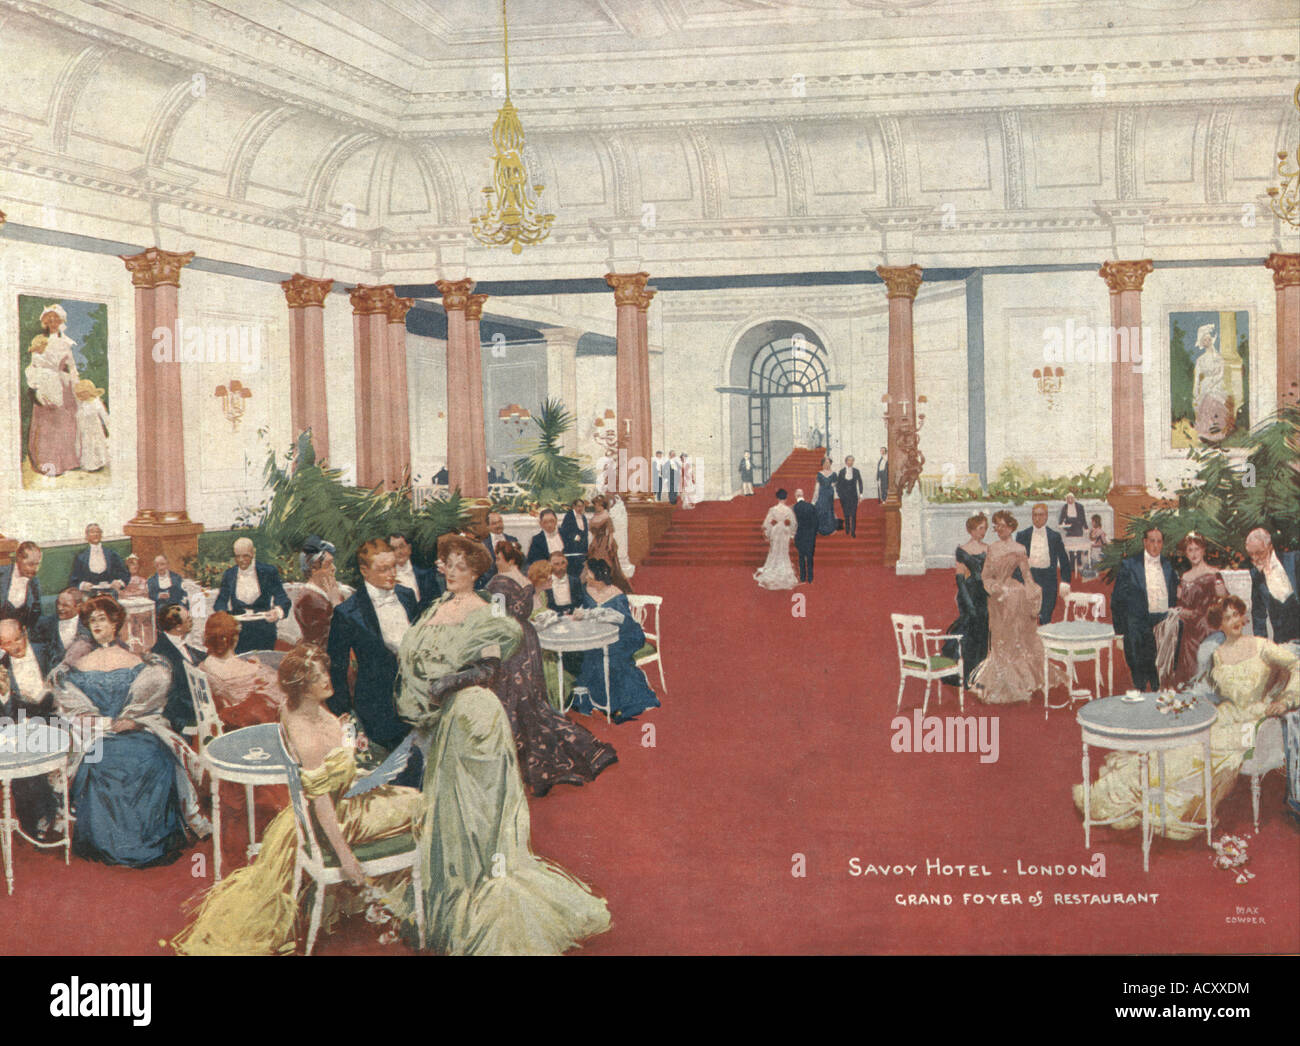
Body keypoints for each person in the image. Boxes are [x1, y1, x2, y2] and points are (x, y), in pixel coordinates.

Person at [394, 534, 612, 954]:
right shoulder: (437, 608)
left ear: (476, 572)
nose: (449, 571)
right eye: (446, 564)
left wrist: (449, 683)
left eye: (458, 566)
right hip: (444, 723)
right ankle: (456, 894)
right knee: (450, 808)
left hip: (476, 718)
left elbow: (490, 666)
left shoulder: (485, 610)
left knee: (479, 810)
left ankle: (486, 899)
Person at [171, 643, 423, 955]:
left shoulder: (298, 710)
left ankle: (388, 898)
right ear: (303, 688)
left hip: (335, 802)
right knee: (422, 807)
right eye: (319, 678)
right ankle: (407, 905)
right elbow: (322, 802)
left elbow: (338, 756)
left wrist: (346, 737)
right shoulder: (309, 737)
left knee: (415, 801)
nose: (327, 681)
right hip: (339, 816)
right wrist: (345, 857)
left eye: (325, 673)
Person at [1074, 596, 1299, 839]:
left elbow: (1297, 664)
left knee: (1199, 753)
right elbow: (1208, 690)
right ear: (1219, 625)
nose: (1234, 620)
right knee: (1180, 747)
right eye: (1227, 617)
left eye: (1236, 614)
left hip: (1253, 722)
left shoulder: (1261, 645)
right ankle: (1122, 792)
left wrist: (1285, 700)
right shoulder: (1218, 654)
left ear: (1243, 616)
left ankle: (1155, 801)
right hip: (1224, 716)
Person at [49, 596, 196, 867]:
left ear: (116, 622)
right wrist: (102, 723)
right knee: (104, 763)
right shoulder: (79, 665)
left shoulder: (138, 659)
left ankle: (155, 840)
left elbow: (150, 703)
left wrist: (134, 721)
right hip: (100, 737)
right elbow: (73, 708)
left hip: (137, 732)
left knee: (155, 758)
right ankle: (110, 843)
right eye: (92, 621)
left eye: (102, 619)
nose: (96, 625)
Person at [485, 541, 617, 796]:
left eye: (498, 557)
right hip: (529, 640)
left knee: (516, 703)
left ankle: (531, 767)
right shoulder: (523, 580)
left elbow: (496, 620)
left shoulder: (498, 584)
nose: (496, 561)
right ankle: (577, 751)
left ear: (505, 558)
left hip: (511, 643)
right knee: (533, 703)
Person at [326, 540, 419, 768]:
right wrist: (345, 715)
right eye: (383, 569)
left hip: (415, 702)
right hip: (376, 707)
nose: (391, 574)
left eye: (393, 567)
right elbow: (336, 669)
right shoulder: (347, 613)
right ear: (364, 571)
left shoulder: (406, 596)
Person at [971, 510, 1057, 704]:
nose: (999, 529)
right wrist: (993, 587)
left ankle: (1021, 681)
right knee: (1000, 637)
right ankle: (999, 679)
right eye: (996, 526)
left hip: (1015, 595)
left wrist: (1033, 589)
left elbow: (1026, 576)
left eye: (1002, 525)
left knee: (1017, 636)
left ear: (1011, 527)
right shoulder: (992, 548)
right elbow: (985, 576)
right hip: (997, 597)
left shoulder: (1019, 548)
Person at [569, 558, 661, 724]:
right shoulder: (586, 589)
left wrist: (591, 615)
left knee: (610, 657)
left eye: (588, 573)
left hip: (624, 635)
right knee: (591, 653)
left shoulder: (616, 594)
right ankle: (597, 701)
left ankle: (622, 703)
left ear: (597, 575)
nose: (585, 576)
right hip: (598, 634)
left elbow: (621, 619)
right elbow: (582, 609)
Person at [0, 619, 59, 839]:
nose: (14, 647)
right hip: (23, 723)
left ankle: (59, 807)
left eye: (17, 639)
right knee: (23, 760)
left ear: (25, 632)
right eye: (6, 643)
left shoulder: (46, 650)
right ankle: (37, 824)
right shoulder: (1, 666)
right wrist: (5, 693)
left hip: (57, 716)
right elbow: (6, 713)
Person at [1112, 526, 1179, 692]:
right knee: (1138, 658)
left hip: (1163, 618)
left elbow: (1174, 591)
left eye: (1159, 541)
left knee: (1160, 663)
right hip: (1139, 619)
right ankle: (1141, 689)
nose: (1155, 545)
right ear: (1144, 542)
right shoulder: (1130, 565)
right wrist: (1119, 632)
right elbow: (1117, 599)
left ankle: (1159, 688)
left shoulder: (1168, 564)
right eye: (1152, 541)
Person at [1158, 532, 1227, 688]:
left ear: (1203, 550)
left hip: (1206, 627)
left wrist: (1222, 593)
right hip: (1189, 629)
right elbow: (1181, 603)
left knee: (1204, 669)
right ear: (1185, 553)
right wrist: (1178, 602)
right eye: (1190, 550)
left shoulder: (1213, 573)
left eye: (1197, 549)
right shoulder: (1185, 576)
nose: (1194, 553)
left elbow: (1224, 602)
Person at [200, 612, 285, 728]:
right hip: (249, 717)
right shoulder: (251, 671)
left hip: (230, 709)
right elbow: (276, 689)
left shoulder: (206, 664)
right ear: (235, 639)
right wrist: (258, 666)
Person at [24, 304, 80, 477]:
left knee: (64, 422)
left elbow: (71, 366)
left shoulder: (66, 342)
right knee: (47, 424)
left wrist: (76, 385)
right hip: (44, 383)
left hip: (63, 385)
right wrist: (34, 386)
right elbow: (34, 364)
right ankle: (48, 462)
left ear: (61, 320)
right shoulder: (39, 340)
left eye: (55, 318)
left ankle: (67, 461)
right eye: (49, 318)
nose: (52, 321)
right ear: (45, 322)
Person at [213, 537, 291, 653]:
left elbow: (283, 598)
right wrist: (224, 617)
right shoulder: (229, 574)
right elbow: (220, 601)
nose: (241, 560)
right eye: (237, 556)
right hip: (238, 633)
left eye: (245, 556)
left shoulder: (268, 572)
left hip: (264, 631)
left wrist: (277, 611)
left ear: (253, 553)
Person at [942, 513, 990, 690]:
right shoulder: (963, 550)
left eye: (985, 528)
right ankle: (966, 673)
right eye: (980, 528)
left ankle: (981, 674)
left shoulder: (988, 548)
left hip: (984, 593)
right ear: (971, 530)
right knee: (970, 630)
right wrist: (968, 603)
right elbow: (960, 578)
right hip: (968, 593)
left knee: (984, 631)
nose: (983, 531)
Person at [151, 603, 206, 734]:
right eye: (188, 619)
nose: (192, 620)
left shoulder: (179, 642)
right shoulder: (161, 653)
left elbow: (194, 655)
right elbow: (169, 697)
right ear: (178, 627)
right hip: (183, 718)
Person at [1016, 502, 1072, 625]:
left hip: (1048, 578)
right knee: (1027, 614)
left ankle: (1044, 642)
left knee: (1046, 614)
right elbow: (1017, 562)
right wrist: (1020, 582)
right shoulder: (1022, 535)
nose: (1037, 518)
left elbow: (1064, 560)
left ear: (1046, 516)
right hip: (1030, 577)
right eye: (1035, 515)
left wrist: (1065, 581)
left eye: (1041, 515)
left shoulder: (1054, 536)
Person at [1244, 528, 1298, 645]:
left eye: (1259, 552)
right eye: (1251, 554)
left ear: (1270, 547)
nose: (1255, 558)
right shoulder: (1256, 575)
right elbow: (1258, 615)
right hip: (1284, 642)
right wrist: (1262, 647)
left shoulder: (1294, 560)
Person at [294, 537, 345, 648]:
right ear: (314, 569)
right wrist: (337, 604)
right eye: (329, 564)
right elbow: (330, 637)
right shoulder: (309, 598)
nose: (334, 568)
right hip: (319, 656)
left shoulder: (324, 593)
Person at [1191, 323, 1232, 442]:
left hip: (1217, 384)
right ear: (1202, 343)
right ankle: (1206, 433)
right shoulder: (1201, 359)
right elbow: (1197, 376)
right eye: (1205, 340)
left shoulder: (1218, 358)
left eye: (1209, 339)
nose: (1207, 341)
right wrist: (1196, 388)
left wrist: (1213, 383)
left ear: (1212, 340)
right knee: (1205, 404)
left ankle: (1218, 434)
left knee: (1216, 404)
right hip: (1205, 384)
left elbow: (1221, 373)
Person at [754, 488, 798, 590]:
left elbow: (766, 523)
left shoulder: (773, 509)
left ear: (777, 498)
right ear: (786, 498)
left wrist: (769, 532)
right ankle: (783, 570)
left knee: (774, 550)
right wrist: (790, 532)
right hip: (784, 531)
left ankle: (773, 570)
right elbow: (794, 523)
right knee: (783, 551)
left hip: (776, 531)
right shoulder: (788, 510)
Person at [587, 495, 632, 594]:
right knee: (593, 563)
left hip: (605, 541)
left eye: (599, 505)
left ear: (603, 506)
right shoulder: (594, 517)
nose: (597, 507)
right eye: (595, 505)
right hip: (596, 542)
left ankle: (608, 585)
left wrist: (609, 545)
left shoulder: (606, 517)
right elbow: (592, 532)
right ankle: (597, 584)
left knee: (606, 563)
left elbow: (611, 532)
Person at [69, 523, 129, 593]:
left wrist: (119, 582)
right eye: (92, 532)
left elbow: (125, 574)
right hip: (89, 594)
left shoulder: (111, 554)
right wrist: (83, 585)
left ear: (101, 535)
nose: (95, 534)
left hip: (110, 591)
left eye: (98, 532)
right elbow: (73, 581)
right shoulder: (81, 557)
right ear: (86, 536)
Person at [389, 532, 438, 614]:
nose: (399, 552)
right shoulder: (387, 581)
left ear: (409, 548)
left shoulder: (426, 574)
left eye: (402, 547)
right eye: (394, 549)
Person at [0, 540, 43, 633]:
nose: (35, 569)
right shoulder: (1, 574)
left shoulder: (34, 582)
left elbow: (37, 612)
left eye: (37, 564)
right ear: (19, 559)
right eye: (30, 564)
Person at [35, 588, 86, 664]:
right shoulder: (44, 624)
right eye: (58, 603)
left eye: (65, 605)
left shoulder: (87, 624)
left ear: (78, 606)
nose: (59, 608)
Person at [73, 378, 110, 472]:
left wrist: (109, 428)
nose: (80, 396)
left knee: (96, 445)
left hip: (94, 429)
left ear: (88, 392)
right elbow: (80, 416)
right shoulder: (83, 403)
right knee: (87, 446)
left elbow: (104, 416)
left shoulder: (96, 402)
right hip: (85, 430)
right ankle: (90, 464)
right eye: (79, 394)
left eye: (82, 393)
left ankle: (98, 463)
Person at [544, 551, 586, 615]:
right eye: (556, 564)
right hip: (553, 616)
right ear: (550, 565)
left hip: (574, 615)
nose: (561, 567)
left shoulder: (575, 581)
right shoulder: (546, 583)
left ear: (567, 563)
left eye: (563, 563)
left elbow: (580, 601)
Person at [792, 489, 818, 583]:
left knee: (801, 557)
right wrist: (813, 534)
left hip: (800, 535)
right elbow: (816, 522)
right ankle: (810, 578)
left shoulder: (794, 508)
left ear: (796, 496)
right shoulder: (811, 507)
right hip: (810, 536)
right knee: (810, 557)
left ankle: (803, 577)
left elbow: (793, 524)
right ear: (803, 495)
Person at [558, 498, 590, 574]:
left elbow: (585, 533)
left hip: (581, 550)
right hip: (571, 549)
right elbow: (564, 531)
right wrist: (574, 537)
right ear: (574, 506)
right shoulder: (569, 516)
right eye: (578, 506)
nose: (580, 508)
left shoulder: (583, 517)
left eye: (582, 506)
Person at [835, 456, 863, 538]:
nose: (851, 462)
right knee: (846, 514)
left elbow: (860, 482)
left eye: (852, 460)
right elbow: (838, 485)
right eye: (849, 460)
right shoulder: (841, 472)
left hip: (853, 496)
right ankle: (847, 528)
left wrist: (861, 494)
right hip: (844, 497)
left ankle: (853, 531)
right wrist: (840, 494)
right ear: (846, 461)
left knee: (853, 514)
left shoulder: (856, 471)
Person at [813, 457, 837, 535]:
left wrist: (830, 490)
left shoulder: (834, 474)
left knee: (829, 510)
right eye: (825, 463)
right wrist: (815, 497)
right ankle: (819, 529)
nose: (827, 464)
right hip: (822, 493)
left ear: (830, 464)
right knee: (820, 509)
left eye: (828, 463)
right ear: (822, 464)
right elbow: (817, 485)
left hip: (829, 493)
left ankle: (830, 529)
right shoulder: (819, 474)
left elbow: (834, 484)